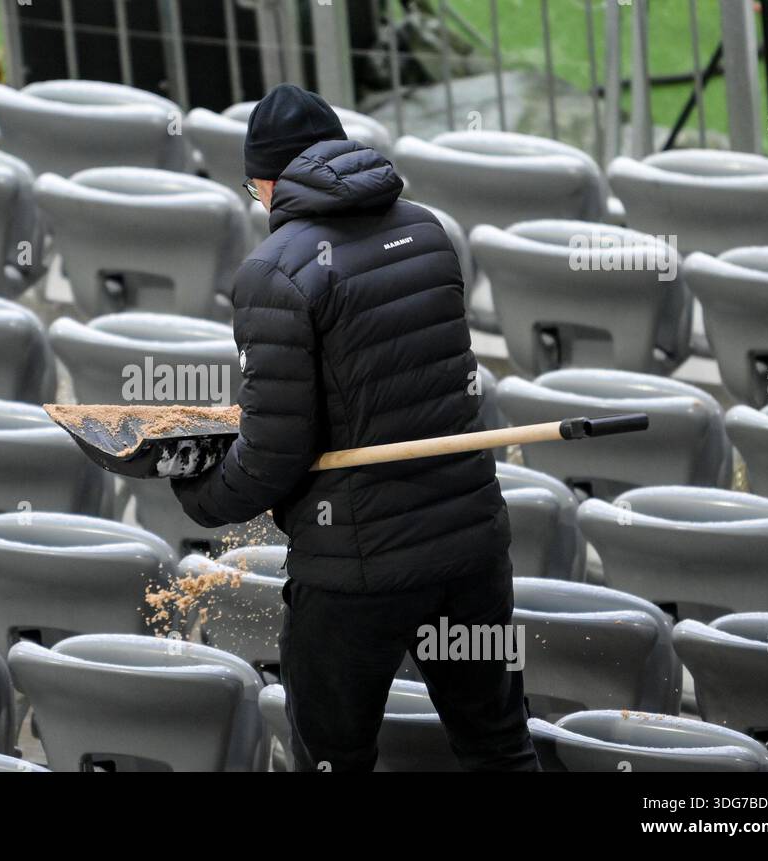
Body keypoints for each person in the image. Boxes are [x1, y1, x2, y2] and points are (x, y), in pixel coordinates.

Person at [171, 84, 539, 772]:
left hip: (356, 573)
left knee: (332, 760)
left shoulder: (274, 272)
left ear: (269, 181)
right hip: (471, 551)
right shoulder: (430, 231)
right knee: (498, 743)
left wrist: (195, 489)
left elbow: (274, 455)